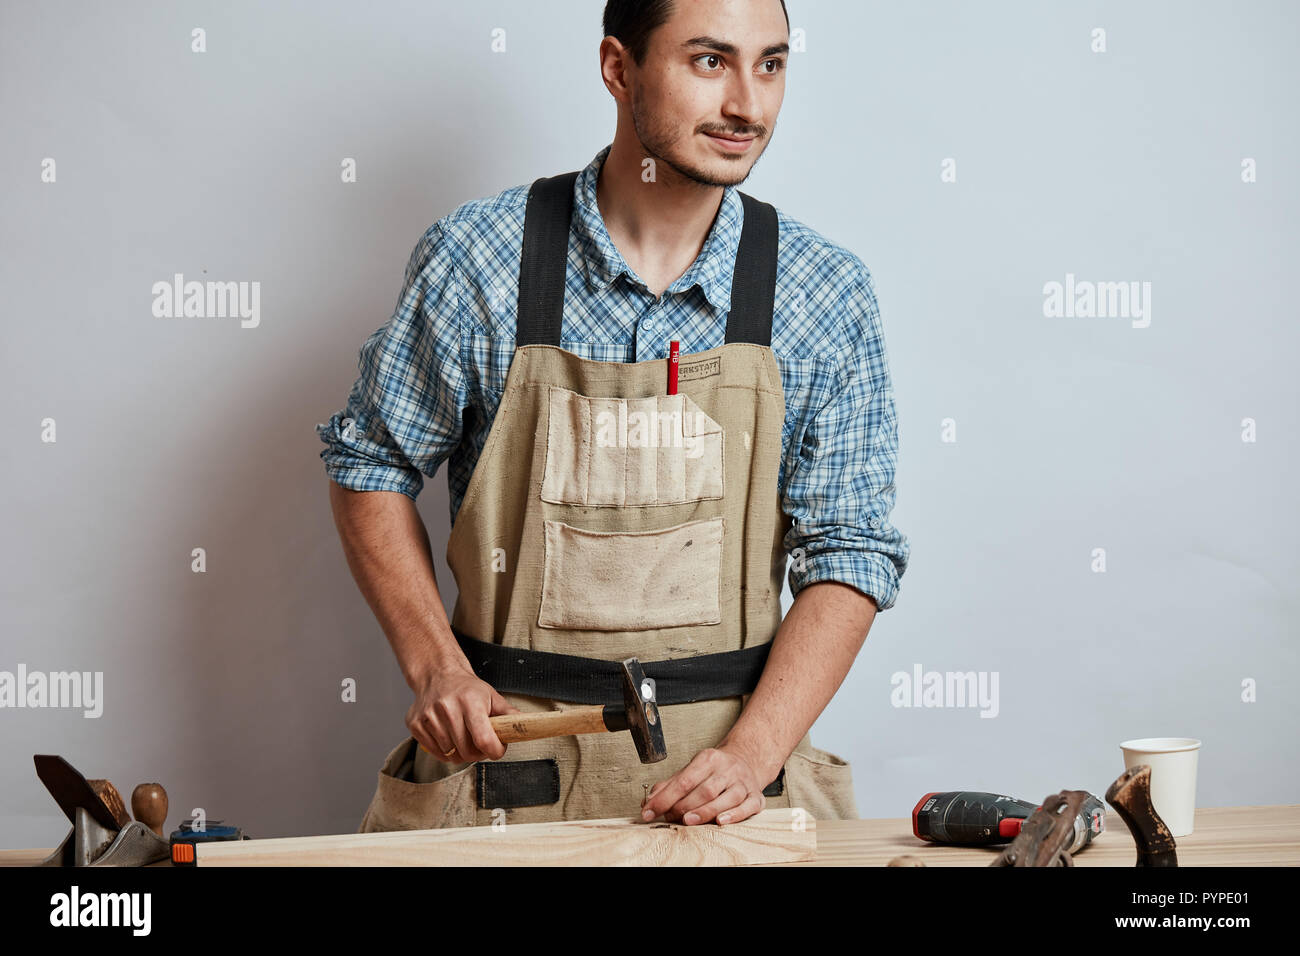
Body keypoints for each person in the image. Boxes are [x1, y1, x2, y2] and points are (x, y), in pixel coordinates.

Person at [316, 0, 909, 832]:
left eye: (771, 64)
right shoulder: (481, 260)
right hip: (505, 775)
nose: (748, 104)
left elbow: (850, 547)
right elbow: (369, 468)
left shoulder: (822, 292)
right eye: (710, 61)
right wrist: (436, 670)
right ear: (618, 68)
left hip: (730, 788)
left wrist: (753, 754)